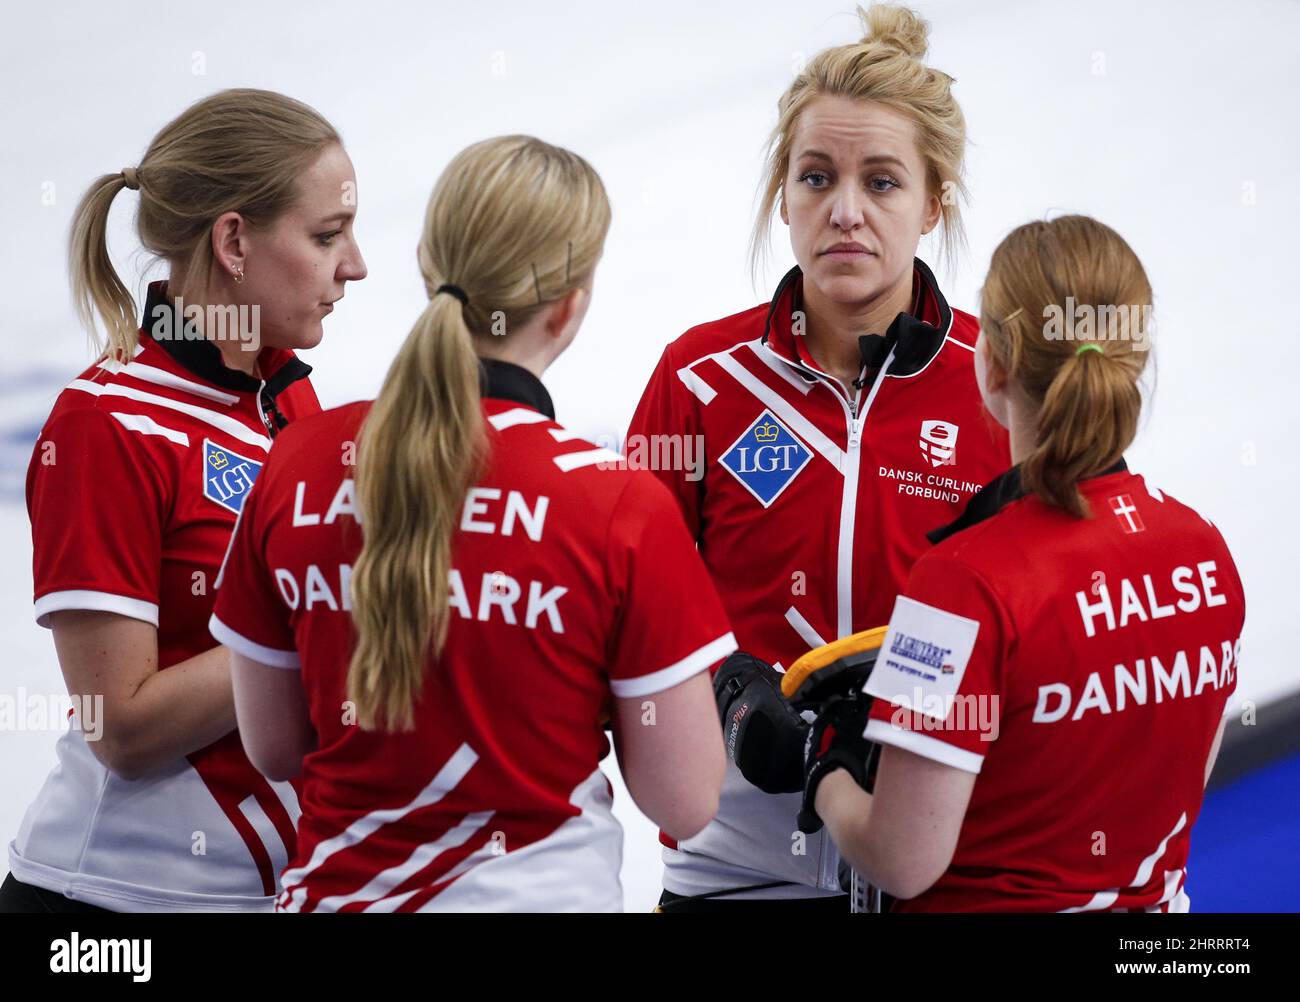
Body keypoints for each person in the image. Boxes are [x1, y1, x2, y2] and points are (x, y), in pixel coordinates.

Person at [209, 135, 733, 913]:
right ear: (569, 306)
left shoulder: (301, 456)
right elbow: (684, 801)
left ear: (428, 265)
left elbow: (277, 747)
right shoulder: (618, 504)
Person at [628, 3, 1010, 910]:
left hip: (944, 861)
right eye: (815, 177)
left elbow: (1048, 615)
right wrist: (724, 690)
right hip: (734, 865)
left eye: (882, 183)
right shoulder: (700, 377)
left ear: (934, 202)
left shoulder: (998, 384)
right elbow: (625, 599)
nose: (844, 213)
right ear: (782, 194)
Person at [799, 214, 1244, 912]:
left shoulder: (961, 583)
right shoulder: (1206, 548)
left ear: (993, 364)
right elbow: (1175, 780)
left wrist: (823, 762)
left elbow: (901, 860)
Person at [2, 88, 366, 914]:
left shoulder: (283, 399)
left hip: (261, 892)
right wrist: (331, 615)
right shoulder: (105, 427)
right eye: (326, 235)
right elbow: (121, 727)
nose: (355, 265)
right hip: (110, 903)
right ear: (234, 239)